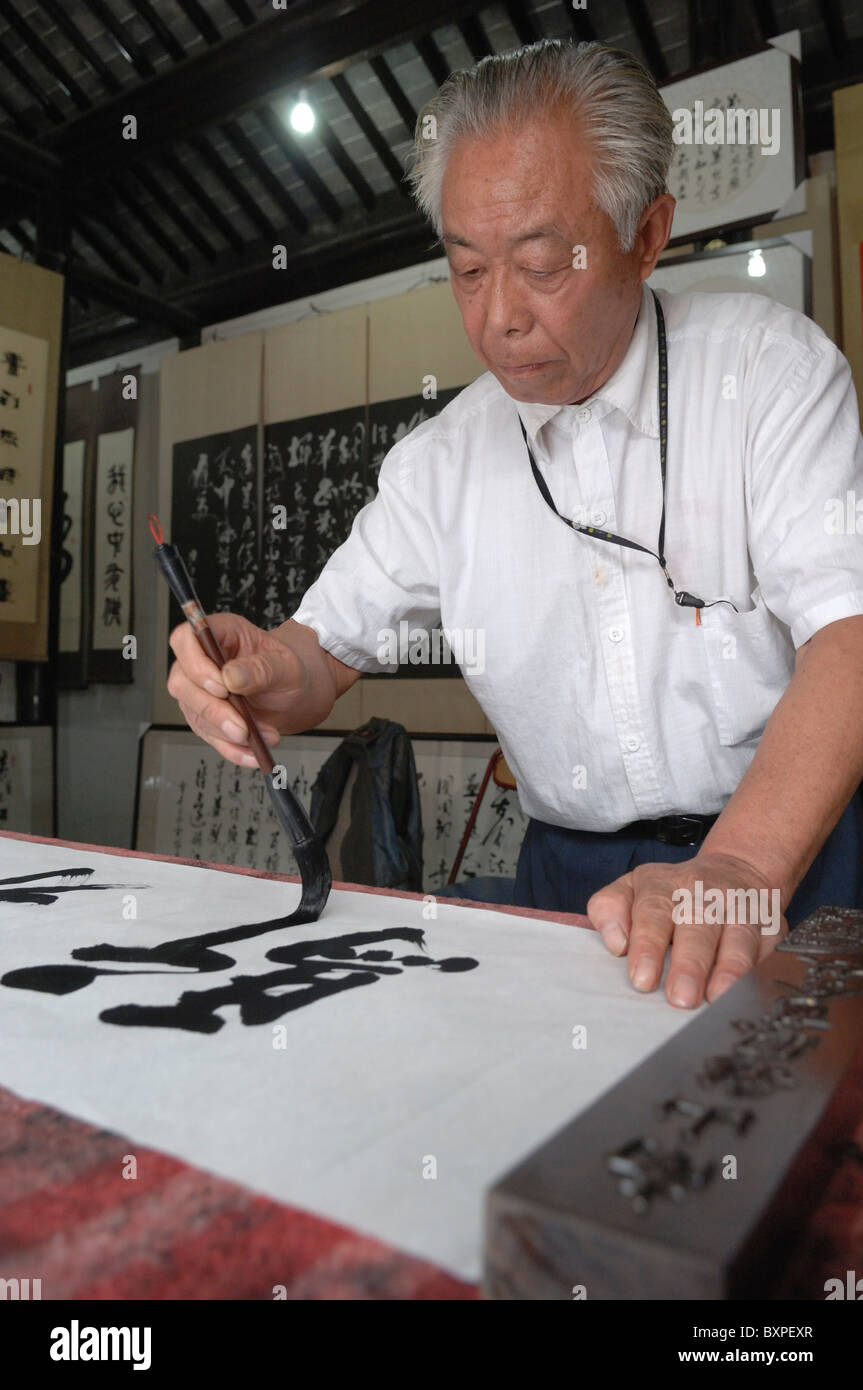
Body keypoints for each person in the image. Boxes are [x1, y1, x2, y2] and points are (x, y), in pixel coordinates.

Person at [167, 39, 863, 1010]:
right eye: (464, 269)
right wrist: (257, 673)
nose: (497, 318)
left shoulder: (766, 372)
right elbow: (316, 656)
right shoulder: (439, 461)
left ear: (648, 233)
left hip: (793, 852)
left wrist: (741, 864)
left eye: (540, 265)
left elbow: (848, 632)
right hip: (568, 882)